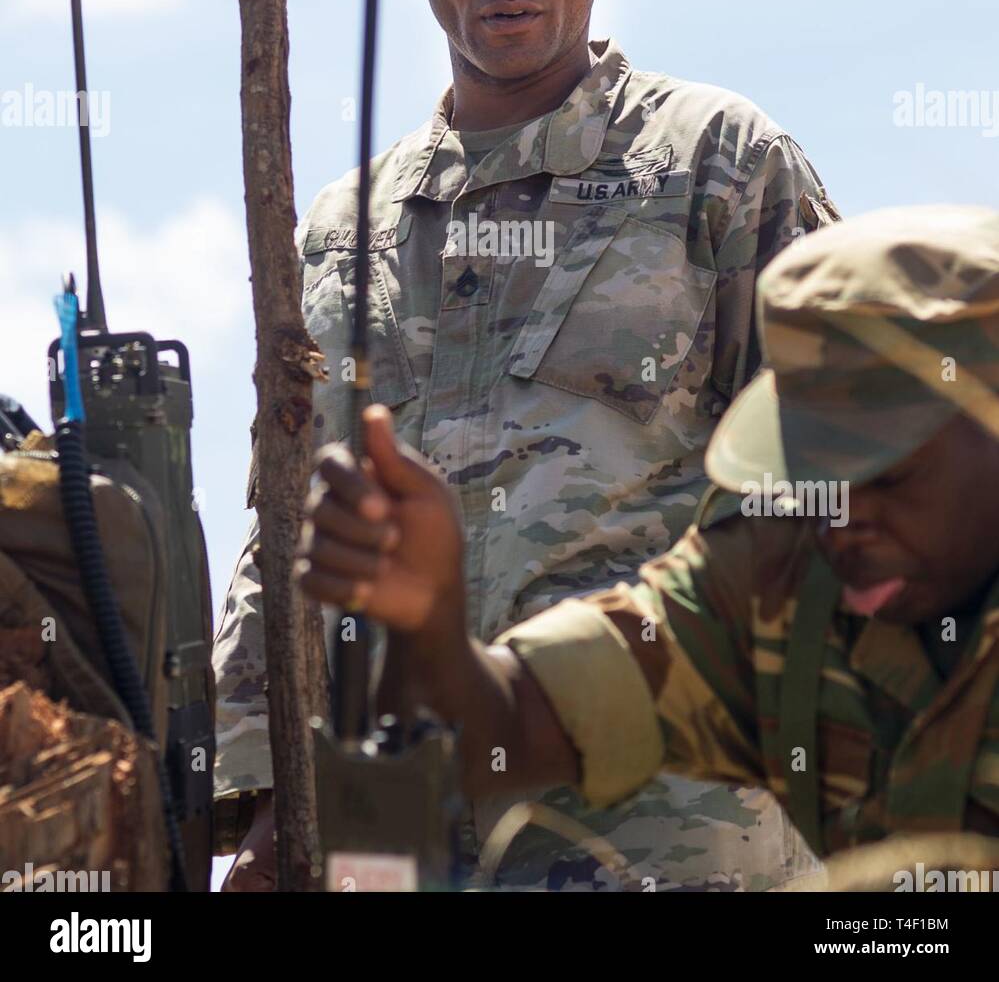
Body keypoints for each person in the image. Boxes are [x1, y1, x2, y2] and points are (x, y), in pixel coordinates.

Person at [216, 0, 836, 891]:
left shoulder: (720, 160)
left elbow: (837, 470)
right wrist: (270, 793)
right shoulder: (343, 225)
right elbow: (287, 523)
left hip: (653, 808)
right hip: (391, 815)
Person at [298, 203, 999, 872]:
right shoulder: (776, 570)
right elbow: (497, 729)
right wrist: (427, 620)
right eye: (815, 477)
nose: (841, 519)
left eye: (887, 477)